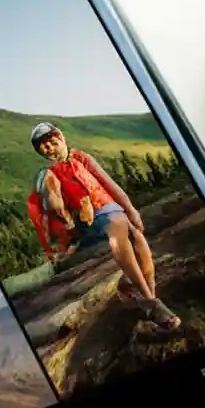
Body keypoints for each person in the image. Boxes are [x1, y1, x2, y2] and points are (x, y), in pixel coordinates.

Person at [28, 121, 181, 330]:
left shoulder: (82, 158)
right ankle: (152, 303)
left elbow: (109, 184)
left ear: (60, 136)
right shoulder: (50, 174)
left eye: (51, 142)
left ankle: (146, 297)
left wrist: (130, 208)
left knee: (139, 241)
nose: (50, 149)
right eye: (44, 148)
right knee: (118, 230)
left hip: (110, 206)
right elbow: (54, 205)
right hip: (88, 217)